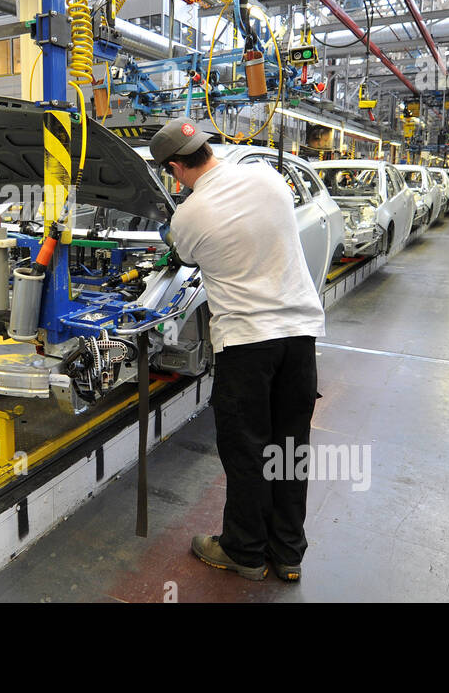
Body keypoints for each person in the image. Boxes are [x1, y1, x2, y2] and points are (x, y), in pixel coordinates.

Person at [149, 117, 325, 583]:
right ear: (208, 149)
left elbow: (183, 255)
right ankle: (288, 553)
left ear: (174, 169)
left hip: (247, 343)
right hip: (299, 334)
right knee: (289, 447)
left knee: (247, 450)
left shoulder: (188, 215)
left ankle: (244, 551)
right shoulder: (267, 177)